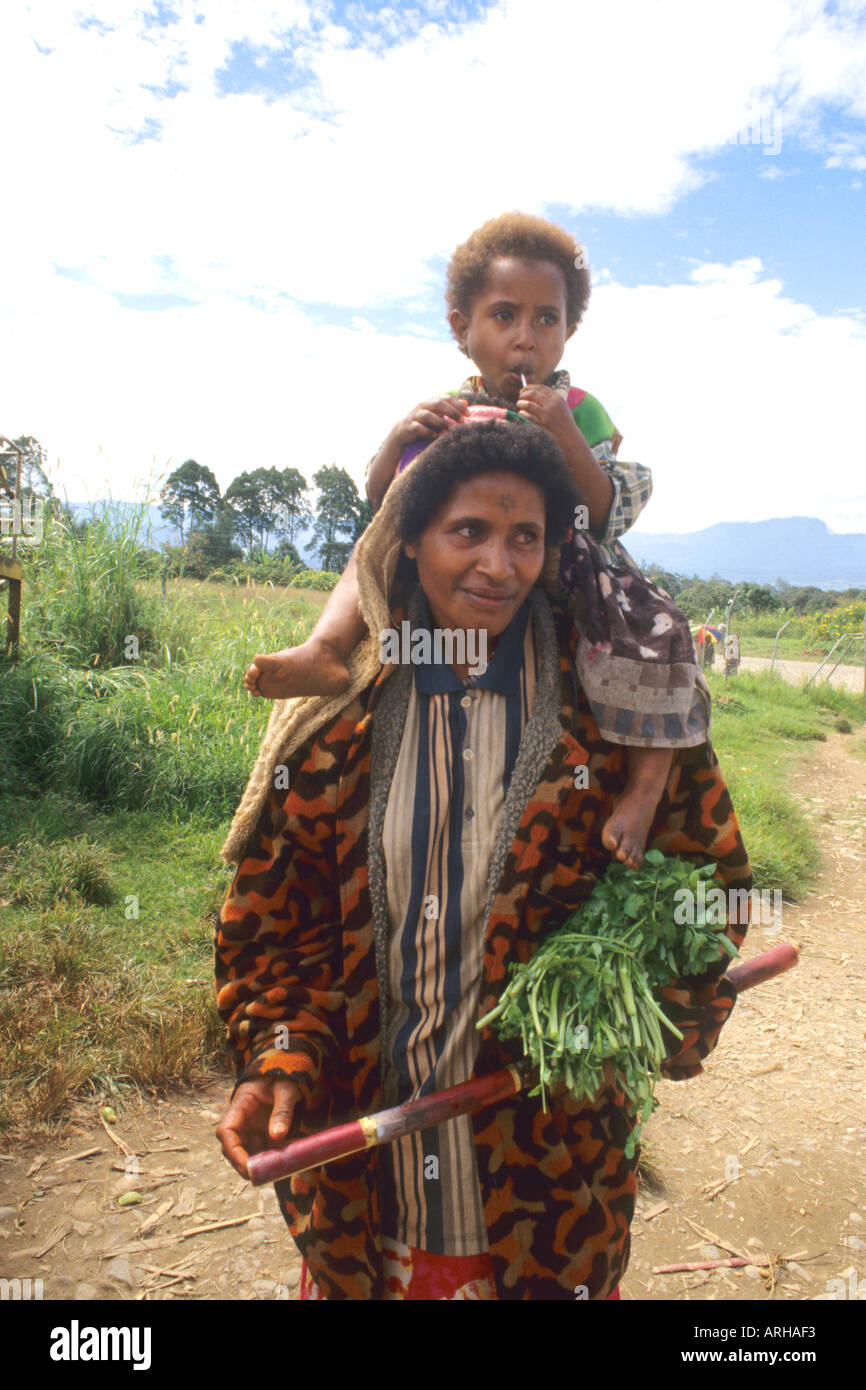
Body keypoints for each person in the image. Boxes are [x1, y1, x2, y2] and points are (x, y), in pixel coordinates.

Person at [214, 417, 751, 1301]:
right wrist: (278, 1056)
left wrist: (635, 1015)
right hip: (365, 1194)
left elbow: (717, 895)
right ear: (410, 541)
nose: (499, 567)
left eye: (525, 537)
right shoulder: (334, 731)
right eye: (468, 532)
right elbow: (275, 931)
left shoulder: (616, 717)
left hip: (553, 1187)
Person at [243, 212, 705, 870]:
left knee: (659, 631)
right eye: (505, 316)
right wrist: (400, 436)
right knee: (374, 546)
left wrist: (564, 435)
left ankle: (644, 789)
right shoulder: (447, 408)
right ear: (463, 329)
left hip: (568, 562)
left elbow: (602, 513)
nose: (526, 338)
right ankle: (325, 647)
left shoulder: (581, 409)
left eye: (546, 320)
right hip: (452, 571)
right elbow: (382, 497)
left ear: (568, 331)